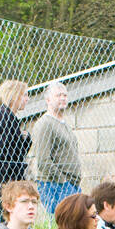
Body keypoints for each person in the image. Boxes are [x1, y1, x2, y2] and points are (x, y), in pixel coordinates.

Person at [31, 81, 81, 214]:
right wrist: (63, 181)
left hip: (72, 184)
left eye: (65, 95)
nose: (63, 98)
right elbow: (43, 160)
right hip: (54, 184)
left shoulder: (64, 124)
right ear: (48, 100)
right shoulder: (45, 123)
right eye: (58, 95)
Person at [0, 79, 31, 212]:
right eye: (24, 95)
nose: (27, 99)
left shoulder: (10, 117)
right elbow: (2, 152)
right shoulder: (3, 116)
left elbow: (17, 151)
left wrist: (25, 139)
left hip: (11, 178)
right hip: (5, 180)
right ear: (14, 96)